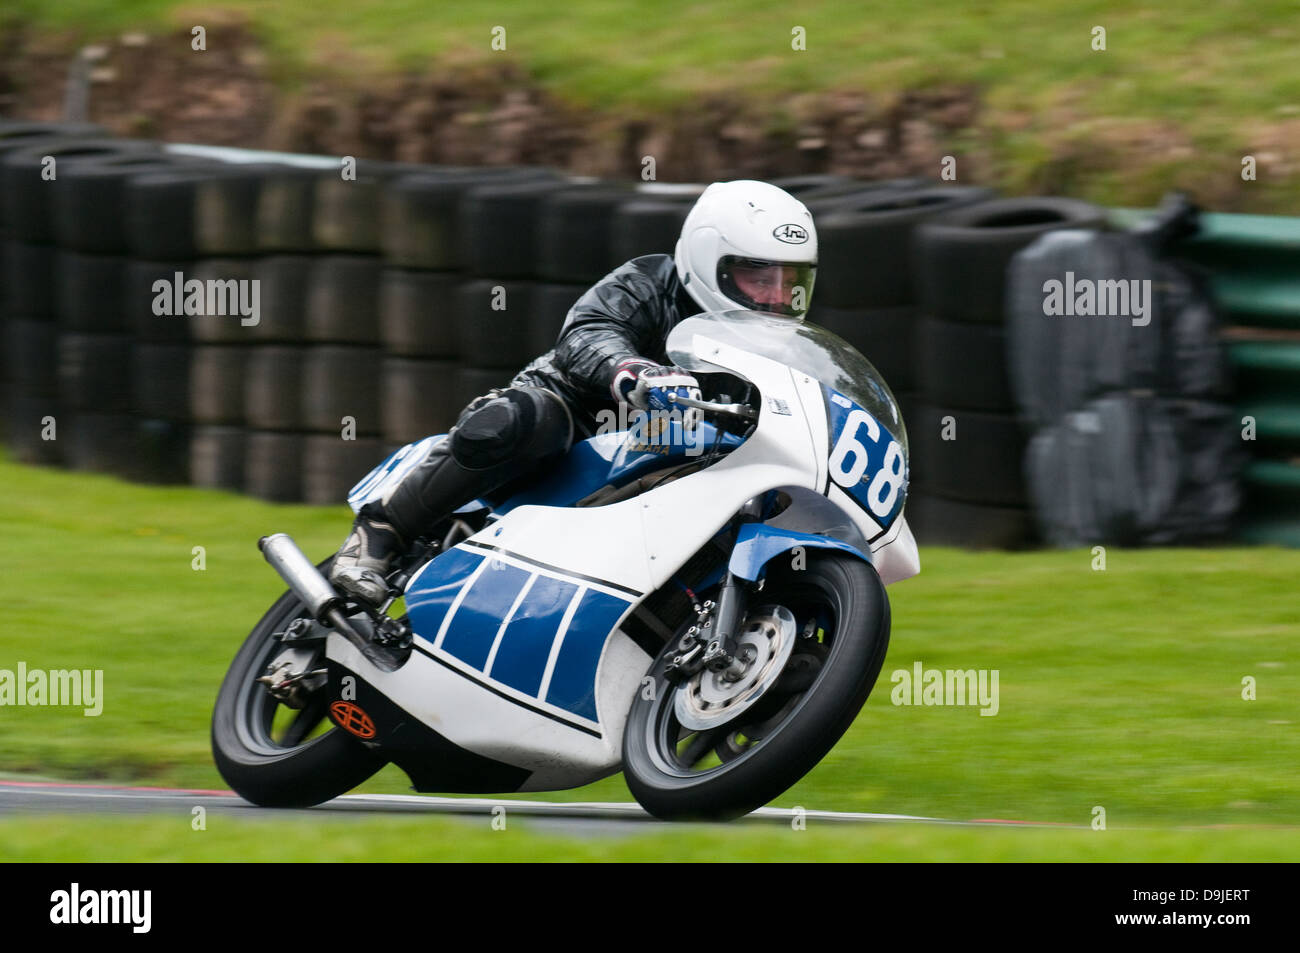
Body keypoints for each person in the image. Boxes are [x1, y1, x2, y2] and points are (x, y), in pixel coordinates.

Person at [330, 179, 819, 606]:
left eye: (788, 282)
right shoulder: (650, 282)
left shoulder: (778, 350)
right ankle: (383, 530)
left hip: (676, 470)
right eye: (758, 278)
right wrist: (631, 370)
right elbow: (589, 330)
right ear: (710, 260)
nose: (776, 298)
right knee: (530, 419)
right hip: (580, 425)